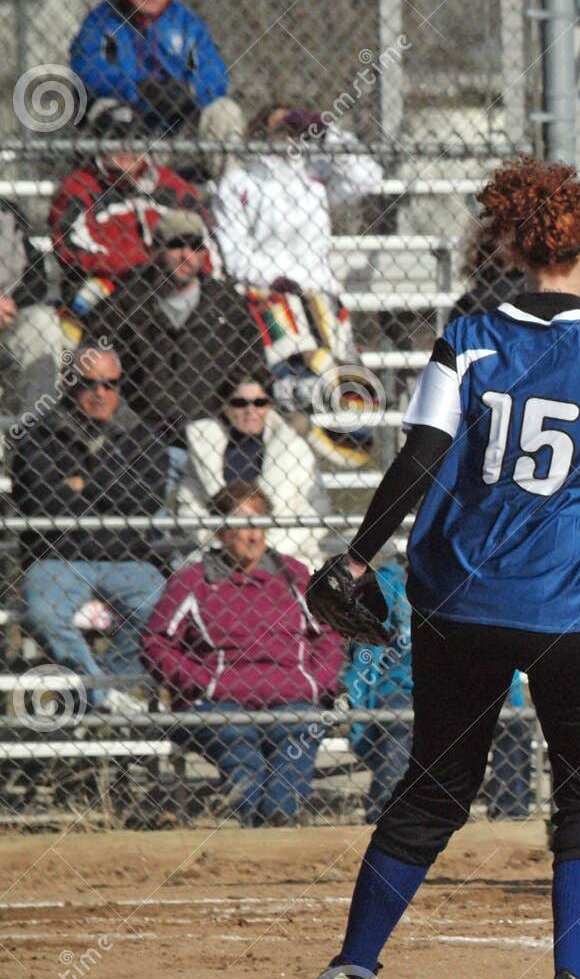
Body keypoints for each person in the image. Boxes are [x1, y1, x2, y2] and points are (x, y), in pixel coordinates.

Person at [297, 158, 580, 979]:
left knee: (435, 787)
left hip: (460, 601)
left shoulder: (468, 338)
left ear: (514, 250)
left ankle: (352, 969)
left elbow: (420, 457)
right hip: (575, 610)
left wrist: (358, 555)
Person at [143, 482, 342, 826]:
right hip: (218, 703)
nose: (253, 535)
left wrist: (315, 682)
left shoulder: (293, 575)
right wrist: (203, 683)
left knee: (299, 732)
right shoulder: (194, 580)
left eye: (259, 523)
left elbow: (330, 632)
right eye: (242, 524)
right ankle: (257, 823)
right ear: (220, 532)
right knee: (237, 739)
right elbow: (155, 643)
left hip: (292, 697)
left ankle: (278, 821)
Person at [9, 345, 168, 714]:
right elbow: (39, 500)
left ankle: (99, 691)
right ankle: (104, 698)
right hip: (58, 555)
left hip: (126, 557)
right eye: (89, 383)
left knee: (163, 610)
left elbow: (145, 499)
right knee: (44, 613)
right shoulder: (41, 434)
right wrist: (112, 492)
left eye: (110, 384)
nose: (100, 393)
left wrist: (84, 485)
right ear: (70, 384)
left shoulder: (141, 435)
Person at [345, 560, 535, 826]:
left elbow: (502, 653)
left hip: (471, 686)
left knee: (514, 724)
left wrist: (513, 701)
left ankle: (510, 814)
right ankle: (387, 814)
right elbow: (368, 652)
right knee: (399, 724)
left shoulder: (480, 586)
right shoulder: (392, 586)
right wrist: (359, 708)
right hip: (405, 686)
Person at [83, 208, 261, 449]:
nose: (187, 256)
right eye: (176, 245)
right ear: (154, 250)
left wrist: (225, 422)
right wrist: (130, 425)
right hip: (139, 437)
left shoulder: (228, 306)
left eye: (195, 246)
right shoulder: (123, 306)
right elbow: (92, 370)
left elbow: (254, 370)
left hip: (214, 435)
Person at [49, 99, 210, 324]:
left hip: (171, 281)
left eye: (135, 139)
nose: (127, 147)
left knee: (219, 299)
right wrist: (139, 268)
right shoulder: (80, 186)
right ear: (98, 145)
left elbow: (204, 239)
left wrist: (200, 274)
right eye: (116, 139)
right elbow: (71, 247)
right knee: (90, 292)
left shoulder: (171, 184)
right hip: (112, 283)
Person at [210, 102, 382, 295]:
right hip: (265, 293)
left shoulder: (314, 174)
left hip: (317, 289)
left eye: (294, 128)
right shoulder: (239, 182)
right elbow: (233, 250)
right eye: (281, 129)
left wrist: (327, 133)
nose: (288, 136)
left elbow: (367, 177)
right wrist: (273, 279)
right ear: (261, 133)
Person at [69, 0, 231, 136]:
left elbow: (215, 73)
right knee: (113, 113)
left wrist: (188, 90)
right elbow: (86, 67)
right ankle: (126, 157)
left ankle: (223, 160)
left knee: (224, 112)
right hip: (126, 108)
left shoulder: (187, 23)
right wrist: (137, 89)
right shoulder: (103, 20)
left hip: (177, 118)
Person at [177, 375, 332, 567]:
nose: (250, 411)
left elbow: (316, 509)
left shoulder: (293, 446)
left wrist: (268, 550)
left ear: (270, 406)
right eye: (240, 403)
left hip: (287, 556)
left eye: (259, 403)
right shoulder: (204, 448)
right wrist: (222, 545)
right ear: (225, 407)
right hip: (218, 555)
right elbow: (190, 505)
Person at [0, 197, 66, 414]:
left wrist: (11, 304)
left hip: (6, 319)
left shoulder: (8, 214)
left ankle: (37, 421)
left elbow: (36, 280)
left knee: (43, 321)